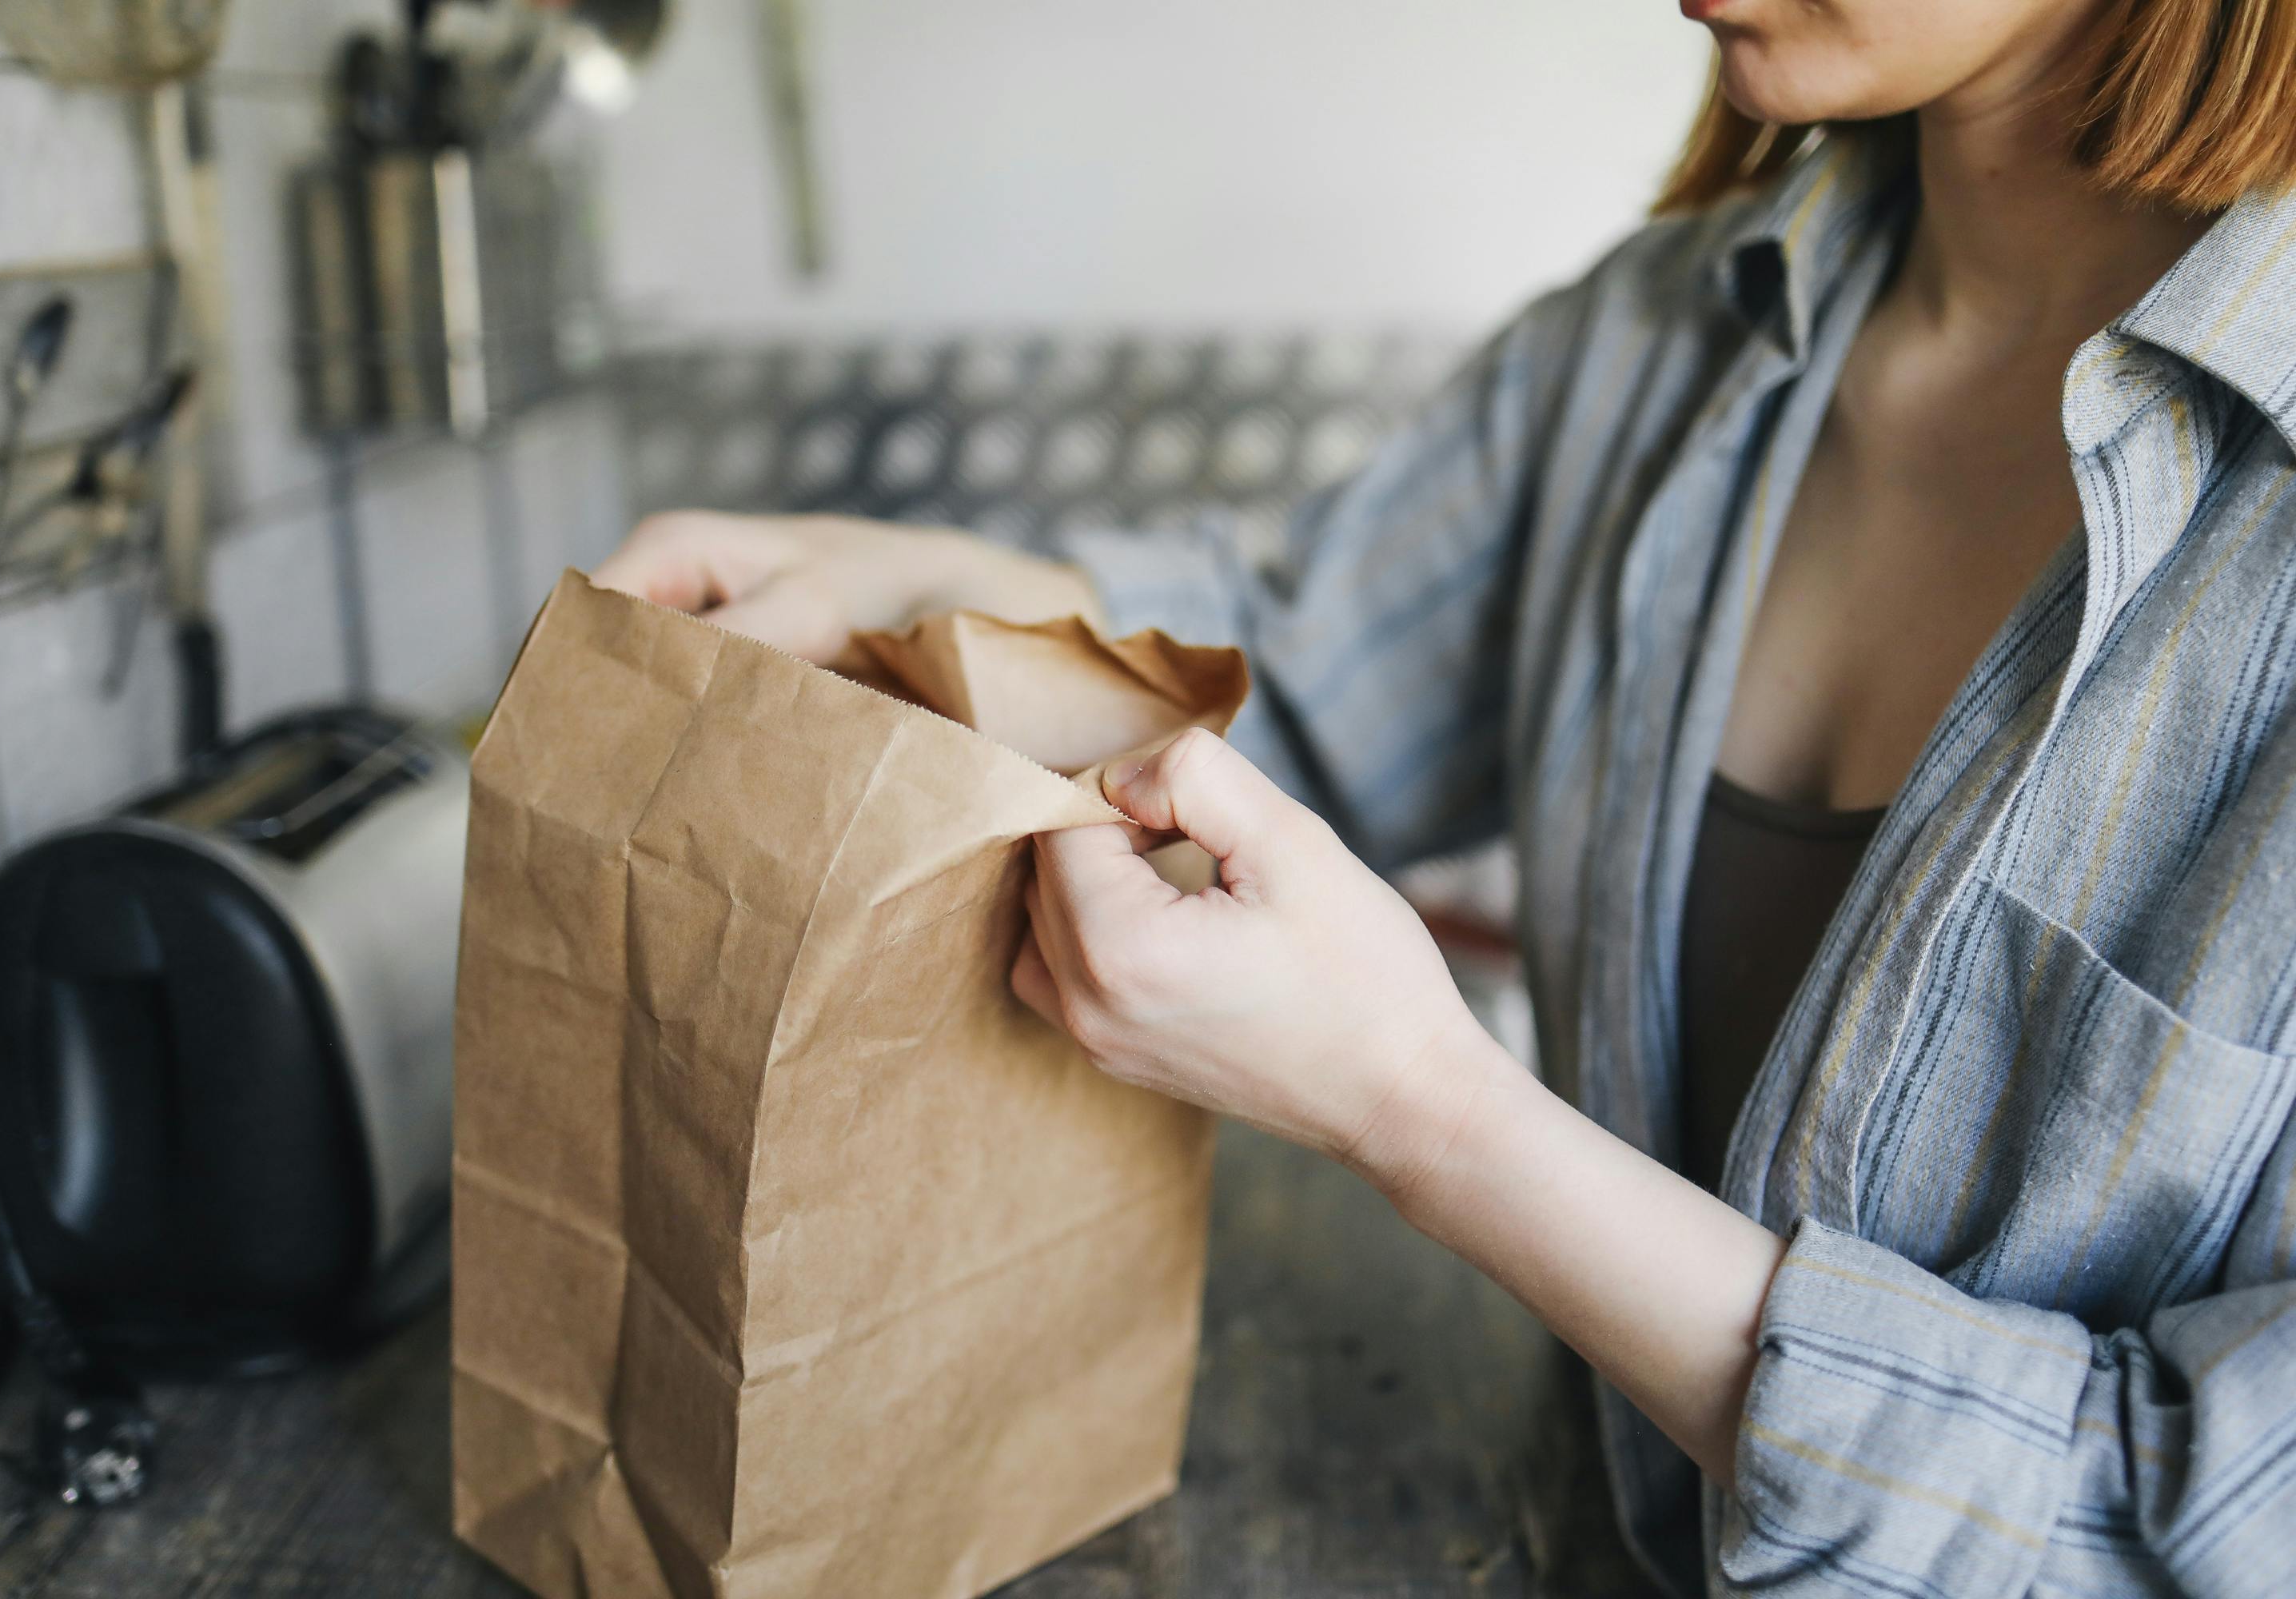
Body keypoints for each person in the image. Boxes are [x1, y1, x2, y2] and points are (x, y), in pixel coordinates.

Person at [593, 0, 2296, 1590]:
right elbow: (1301, 672)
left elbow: (2195, 1525)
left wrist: (1425, 1112)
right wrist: (890, 583)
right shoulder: (1653, 338)